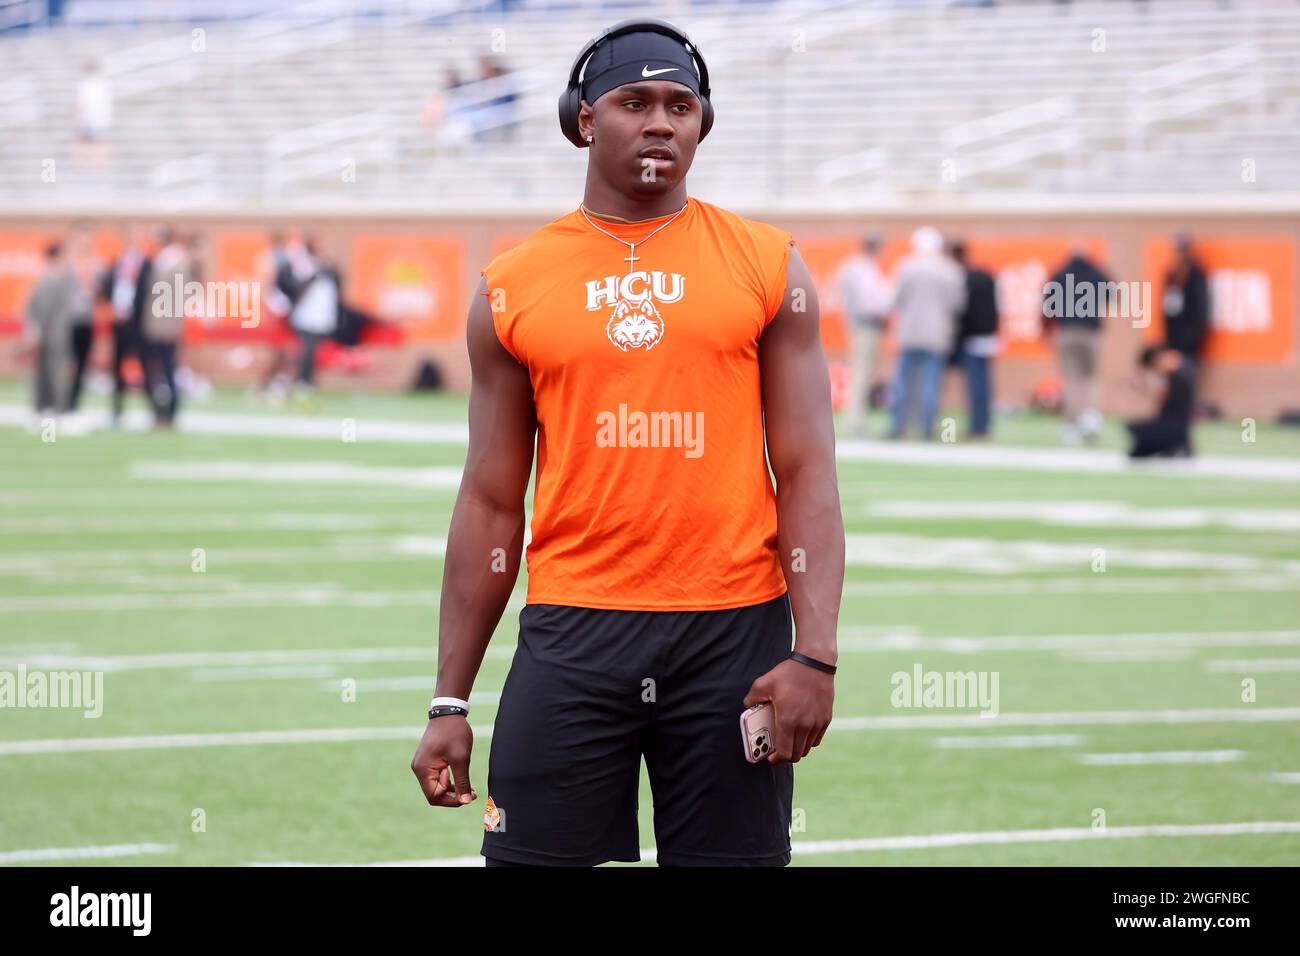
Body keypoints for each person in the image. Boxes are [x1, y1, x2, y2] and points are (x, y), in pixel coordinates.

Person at [410, 18, 843, 868]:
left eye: (681, 106)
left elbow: (806, 470)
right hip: (574, 629)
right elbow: (492, 501)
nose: (660, 122)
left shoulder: (767, 264)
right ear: (583, 119)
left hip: (732, 632)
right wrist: (447, 700)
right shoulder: (514, 283)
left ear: (702, 126)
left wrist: (815, 653)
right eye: (633, 102)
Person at [888, 226, 966, 440]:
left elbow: (896, 299)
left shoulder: (905, 267)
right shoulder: (950, 270)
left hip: (909, 332)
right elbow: (957, 304)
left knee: (903, 382)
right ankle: (926, 429)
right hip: (936, 334)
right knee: (931, 382)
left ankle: (898, 426)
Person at [1044, 249, 1110, 445]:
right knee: (1090, 378)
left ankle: (1072, 424)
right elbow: (1111, 294)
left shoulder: (1060, 274)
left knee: (1071, 379)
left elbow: (1048, 303)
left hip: (1068, 331)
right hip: (1090, 332)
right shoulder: (1096, 273)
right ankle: (1089, 416)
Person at [837, 235, 892, 437]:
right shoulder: (863, 269)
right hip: (865, 326)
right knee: (861, 373)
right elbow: (872, 302)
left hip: (860, 325)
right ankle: (855, 421)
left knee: (862, 373)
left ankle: (856, 419)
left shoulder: (854, 266)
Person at [99, 224, 151, 424]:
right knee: (117, 366)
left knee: (145, 364)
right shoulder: (116, 263)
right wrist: (113, 310)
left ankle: (152, 410)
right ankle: (117, 409)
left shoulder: (147, 264)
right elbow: (106, 289)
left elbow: (149, 293)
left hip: (139, 322)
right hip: (119, 322)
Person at [139, 228, 190, 428]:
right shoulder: (159, 260)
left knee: (168, 369)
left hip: (167, 324)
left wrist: (175, 323)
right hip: (153, 323)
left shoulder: (178, 261)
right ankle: (158, 413)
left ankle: (171, 414)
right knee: (154, 369)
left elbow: (179, 296)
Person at [949, 240, 998, 439]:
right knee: (983, 384)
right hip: (986, 337)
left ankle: (977, 426)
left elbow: (960, 310)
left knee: (975, 385)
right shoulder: (986, 276)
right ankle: (982, 425)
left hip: (970, 338)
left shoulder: (963, 279)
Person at [24, 241, 76, 416]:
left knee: (56, 371)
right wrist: (35, 326)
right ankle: (46, 407)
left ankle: (55, 407)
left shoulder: (61, 275)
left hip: (57, 331)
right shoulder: (49, 276)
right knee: (48, 371)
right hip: (51, 331)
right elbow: (37, 306)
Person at [288, 237, 341, 398]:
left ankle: (309, 381)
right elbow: (297, 286)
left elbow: (337, 280)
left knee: (316, 351)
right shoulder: (302, 264)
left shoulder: (325, 266)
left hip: (322, 316)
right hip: (307, 316)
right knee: (307, 350)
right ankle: (303, 382)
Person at [1127, 345, 1195, 458]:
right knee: (1138, 449)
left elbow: (1162, 400)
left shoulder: (1176, 374)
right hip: (1178, 426)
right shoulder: (1182, 369)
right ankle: (1177, 446)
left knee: (1136, 430)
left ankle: (1176, 445)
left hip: (1174, 427)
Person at [1162, 233, 1210, 363]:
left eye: (1182, 250)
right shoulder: (1172, 275)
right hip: (1173, 340)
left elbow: (1201, 308)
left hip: (1191, 343)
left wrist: (1192, 336)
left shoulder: (1196, 275)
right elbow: (1168, 308)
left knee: (1186, 376)